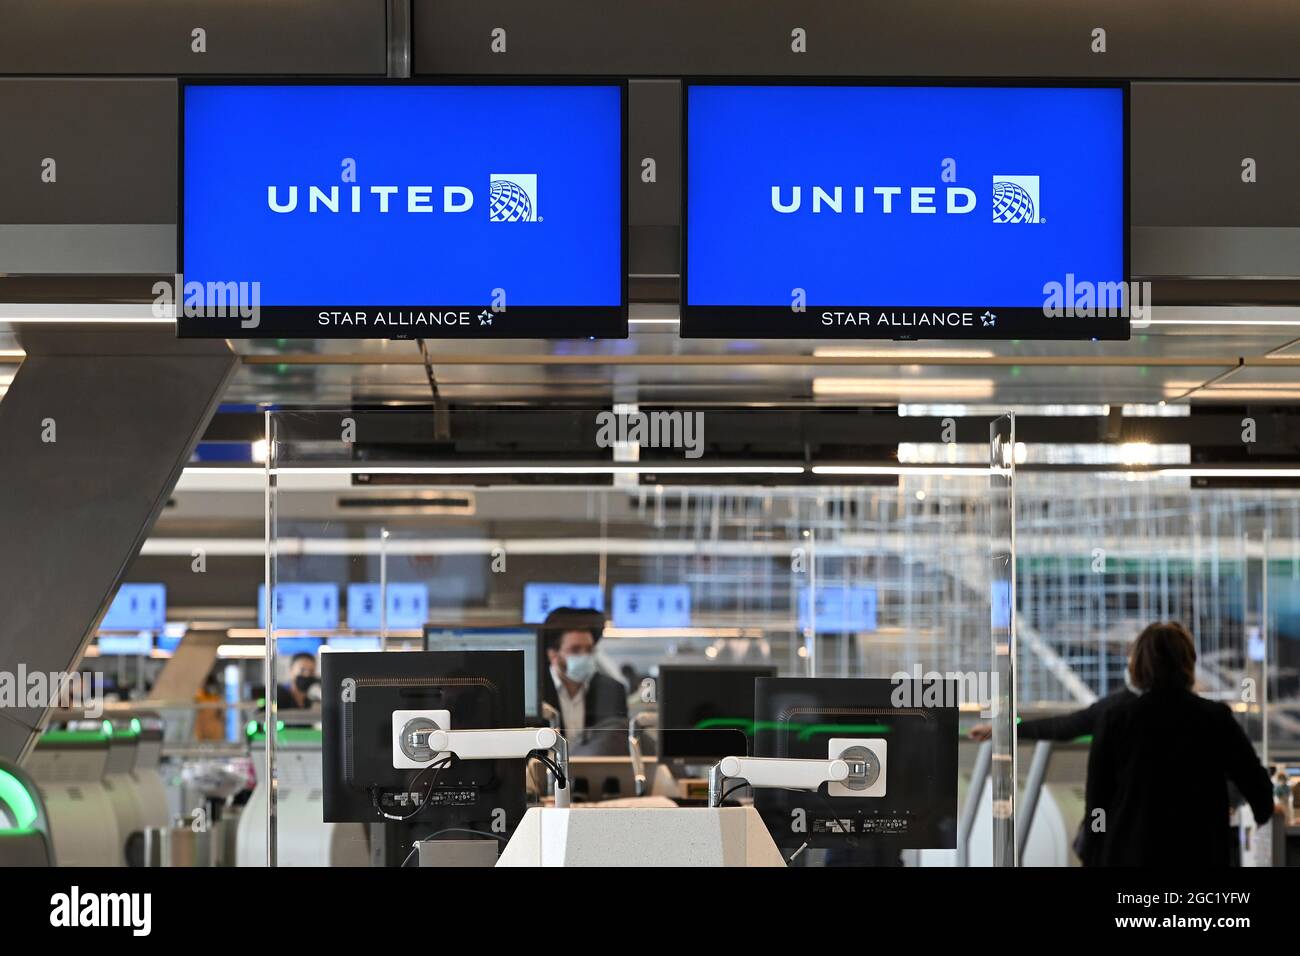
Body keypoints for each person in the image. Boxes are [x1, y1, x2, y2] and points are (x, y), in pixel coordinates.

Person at [1084, 621, 1276, 867]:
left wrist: (1097, 845)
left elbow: (1097, 803)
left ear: (1139, 665)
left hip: (1131, 855)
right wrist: (1261, 810)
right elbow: (1257, 787)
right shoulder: (1215, 718)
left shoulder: (1116, 719)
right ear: (1188, 663)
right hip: (1199, 854)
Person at [538, 607, 628, 740]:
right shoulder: (536, 693)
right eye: (575, 650)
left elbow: (616, 743)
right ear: (553, 655)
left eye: (589, 649)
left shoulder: (612, 690)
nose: (584, 656)